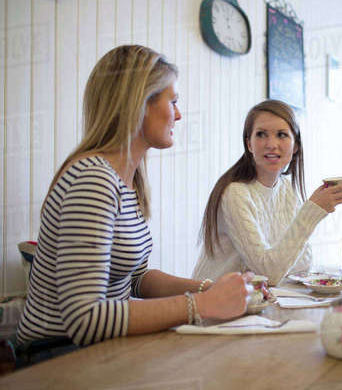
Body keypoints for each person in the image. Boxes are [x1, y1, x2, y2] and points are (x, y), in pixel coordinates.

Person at [16, 45, 251, 356]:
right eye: (173, 101)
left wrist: (206, 288)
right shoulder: (93, 179)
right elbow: (85, 320)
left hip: (94, 352)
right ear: (139, 103)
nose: (178, 115)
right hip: (55, 357)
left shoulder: (127, 180)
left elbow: (136, 278)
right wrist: (202, 305)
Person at [193, 100, 342, 285]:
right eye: (261, 134)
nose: (271, 144)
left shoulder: (287, 189)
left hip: (255, 303)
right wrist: (313, 210)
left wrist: (312, 210)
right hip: (213, 306)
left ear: (295, 146)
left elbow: (303, 262)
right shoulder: (235, 194)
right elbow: (269, 274)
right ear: (249, 144)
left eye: (282, 135)